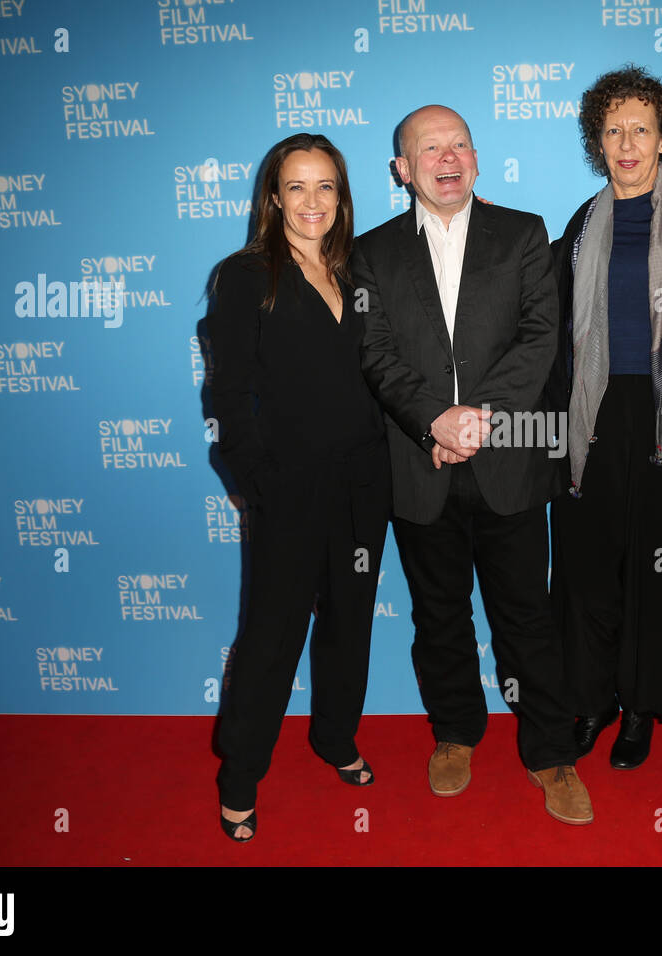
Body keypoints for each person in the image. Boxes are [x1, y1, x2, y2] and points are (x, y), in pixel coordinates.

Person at [354, 104, 592, 825]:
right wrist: (433, 418)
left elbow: (539, 336)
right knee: (438, 614)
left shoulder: (523, 234)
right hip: (419, 463)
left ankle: (551, 753)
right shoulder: (370, 252)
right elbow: (375, 352)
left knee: (527, 617)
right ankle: (455, 733)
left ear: (478, 158)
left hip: (508, 463)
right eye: (429, 148)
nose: (446, 157)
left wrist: (476, 420)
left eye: (458, 144)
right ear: (403, 168)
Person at [208, 133, 391, 842]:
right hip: (289, 486)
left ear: (341, 196)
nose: (312, 201)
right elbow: (227, 389)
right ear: (273, 198)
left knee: (349, 619)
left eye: (326, 187)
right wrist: (252, 478)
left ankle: (335, 737)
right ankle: (240, 772)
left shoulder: (360, 272)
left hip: (364, 483)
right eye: (297, 187)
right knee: (273, 633)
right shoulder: (247, 275)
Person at [547, 66, 662, 770]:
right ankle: (591, 701)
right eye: (612, 129)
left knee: (659, 564)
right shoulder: (581, 224)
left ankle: (643, 707)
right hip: (589, 417)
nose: (626, 142)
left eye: (640, 129)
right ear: (597, 140)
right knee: (587, 563)